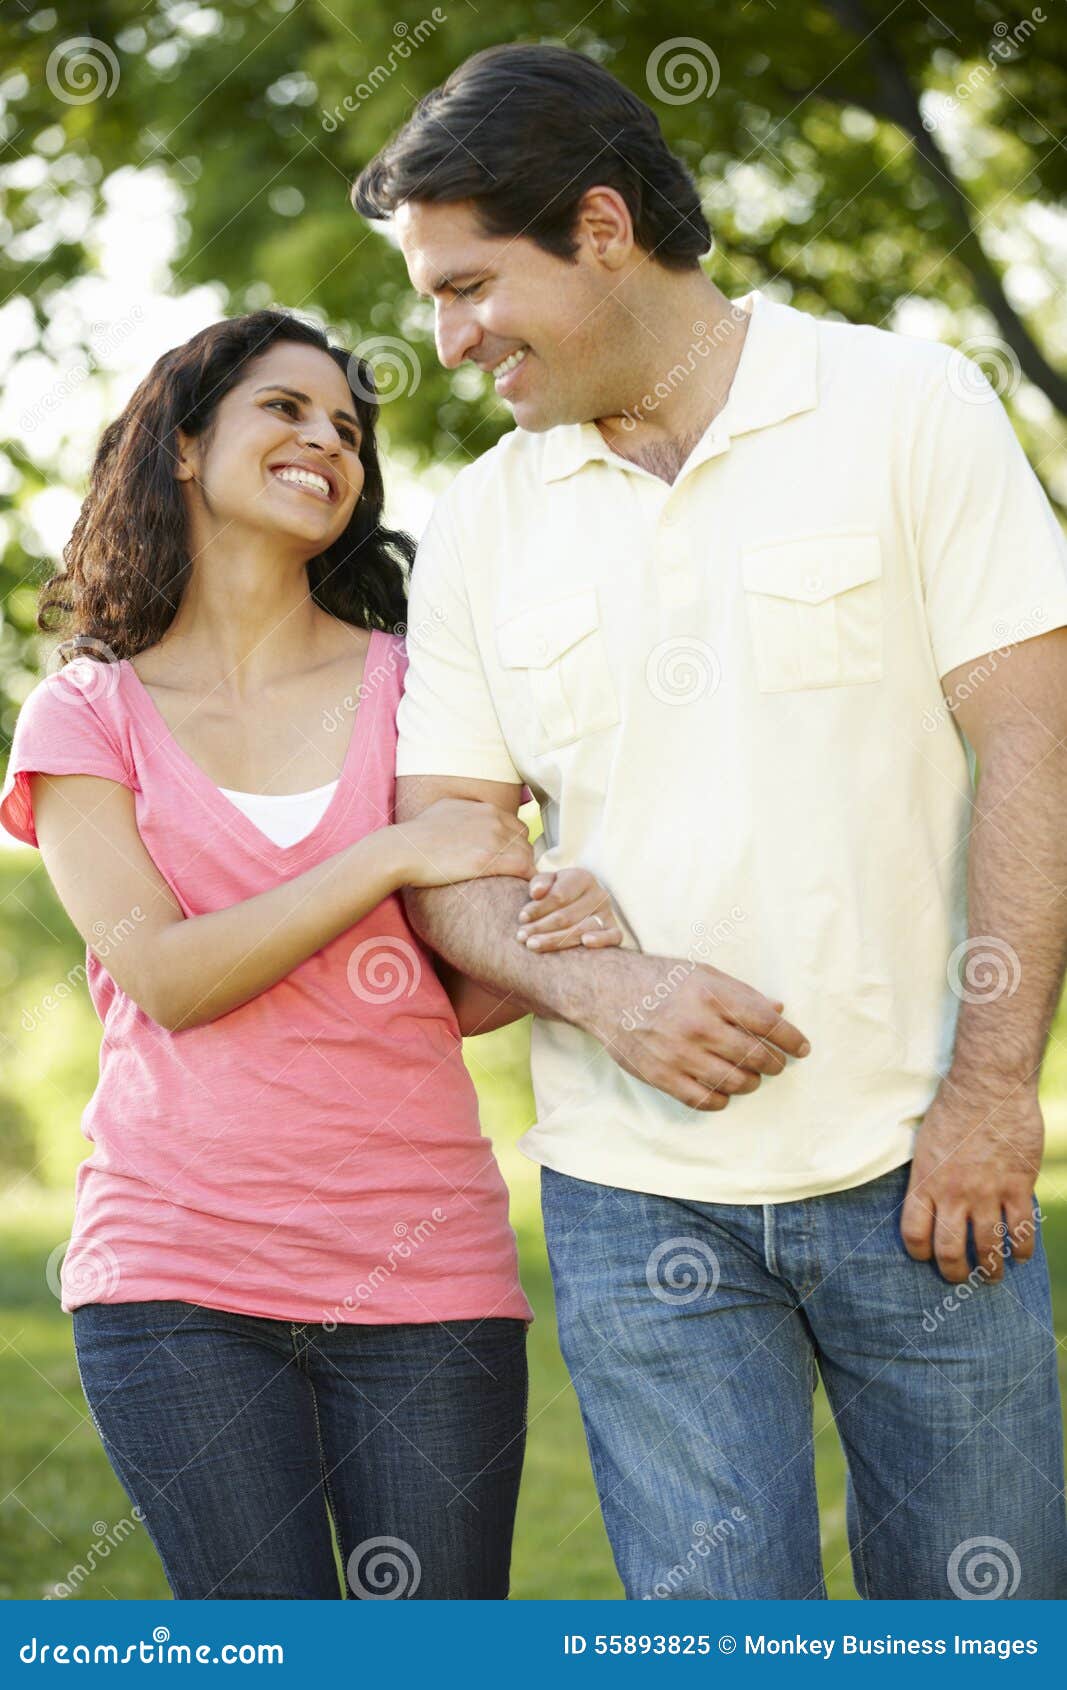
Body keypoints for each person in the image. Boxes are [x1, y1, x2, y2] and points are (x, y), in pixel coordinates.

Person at [352, 43, 1067, 1599]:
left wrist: (994, 1088)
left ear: (601, 228)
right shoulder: (479, 524)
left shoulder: (908, 405)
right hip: (637, 1200)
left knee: (984, 1627)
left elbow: (1037, 736)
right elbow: (450, 846)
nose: (451, 340)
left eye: (470, 285)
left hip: (932, 1168)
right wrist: (606, 987)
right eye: (434, 299)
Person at [0, 308, 623, 1600]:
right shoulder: (88, 710)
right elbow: (166, 975)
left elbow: (455, 985)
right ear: (182, 444)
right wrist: (386, 859)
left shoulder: (416, 681)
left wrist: (557, 933)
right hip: (177, 1276)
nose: (325, 439)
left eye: (347, 426)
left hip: (426, 1263)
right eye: (284, 408)